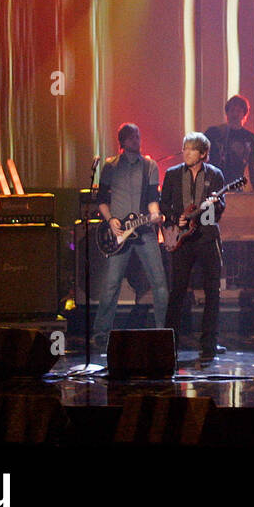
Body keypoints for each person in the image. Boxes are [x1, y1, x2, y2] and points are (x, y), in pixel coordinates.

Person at [92, 123, 169, 347]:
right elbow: (102, 201)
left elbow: (153, 197)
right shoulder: (110, 167)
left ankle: (163, 331)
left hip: (144, 231)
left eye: (138, 136)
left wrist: (155, 213)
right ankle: (101, 334)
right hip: (118, 234)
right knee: (111, 284)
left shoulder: (150, 166)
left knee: (159, 282)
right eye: (132, 137)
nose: (137, 140)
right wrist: (111, 220)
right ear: (123, 142)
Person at [161, 131, 229, 363]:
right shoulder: (172, 175)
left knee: (212, 292)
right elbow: (164, 206)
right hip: (182, 240)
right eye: (185, 148)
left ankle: (209, 343)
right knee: (178, 291)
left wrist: (214, 204)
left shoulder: (216, 175)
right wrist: (174, 219)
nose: (186, 152)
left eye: (191, 149)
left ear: (203, 154)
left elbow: (219, 211)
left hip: (207, 238)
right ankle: (170, 343)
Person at [204, 94, 254, 190]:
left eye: (238, 111)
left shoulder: (249, 138)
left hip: (236, 186)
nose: (235, 114)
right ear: (227, 113)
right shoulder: (214, 132)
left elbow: (253, 166)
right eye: (232, 110)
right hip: (214, 184)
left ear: (244, 114)